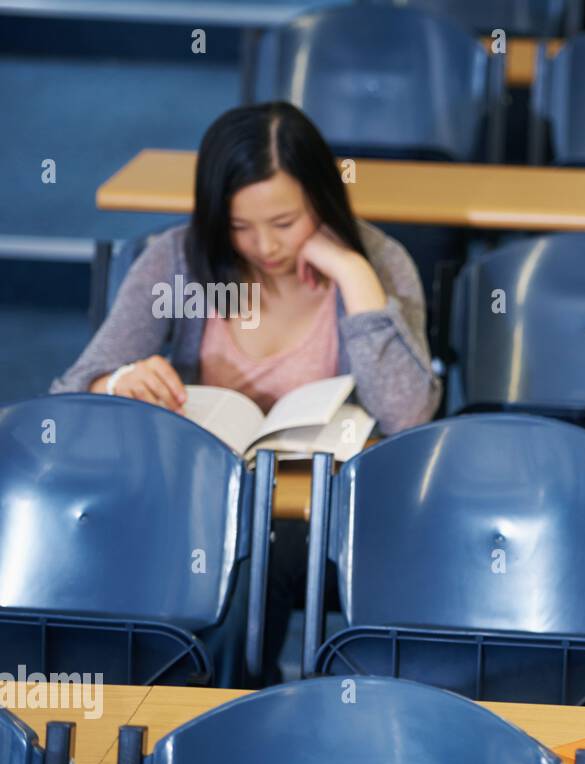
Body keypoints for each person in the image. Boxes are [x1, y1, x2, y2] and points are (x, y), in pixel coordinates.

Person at [52, 101, 442, 684]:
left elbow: (408, 415)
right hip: (191, 494)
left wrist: (354, 277)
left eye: (285, 223)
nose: (264, 246)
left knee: (251, 566)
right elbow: (68, 394)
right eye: (239, 225)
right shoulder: (177, 261)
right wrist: (118, 382)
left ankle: (220, 712)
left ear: (320, 197)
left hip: (319, 509)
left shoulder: (379, 262)